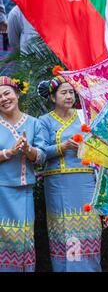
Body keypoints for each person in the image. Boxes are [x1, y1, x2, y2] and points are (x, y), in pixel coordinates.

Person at [37, 76, 102, 272]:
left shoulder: (85, 116)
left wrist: (88, 146)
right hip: (57, 182)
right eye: (63, 92)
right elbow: (40, 152)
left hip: (85, 180)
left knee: (89, 226)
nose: (68, 96)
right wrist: (62, 147)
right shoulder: (44, 121)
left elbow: (99, 144)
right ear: (53, 97)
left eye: (71, 92)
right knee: (63, 227)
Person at [0, 76, 46, 272]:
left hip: (23, 191)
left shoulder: (34, 124)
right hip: (0, 190)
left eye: (7, 93)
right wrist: (7, 153)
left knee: (24, 240)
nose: (3, 98)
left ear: (17, 94)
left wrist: (28, 150)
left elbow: (42, 155)